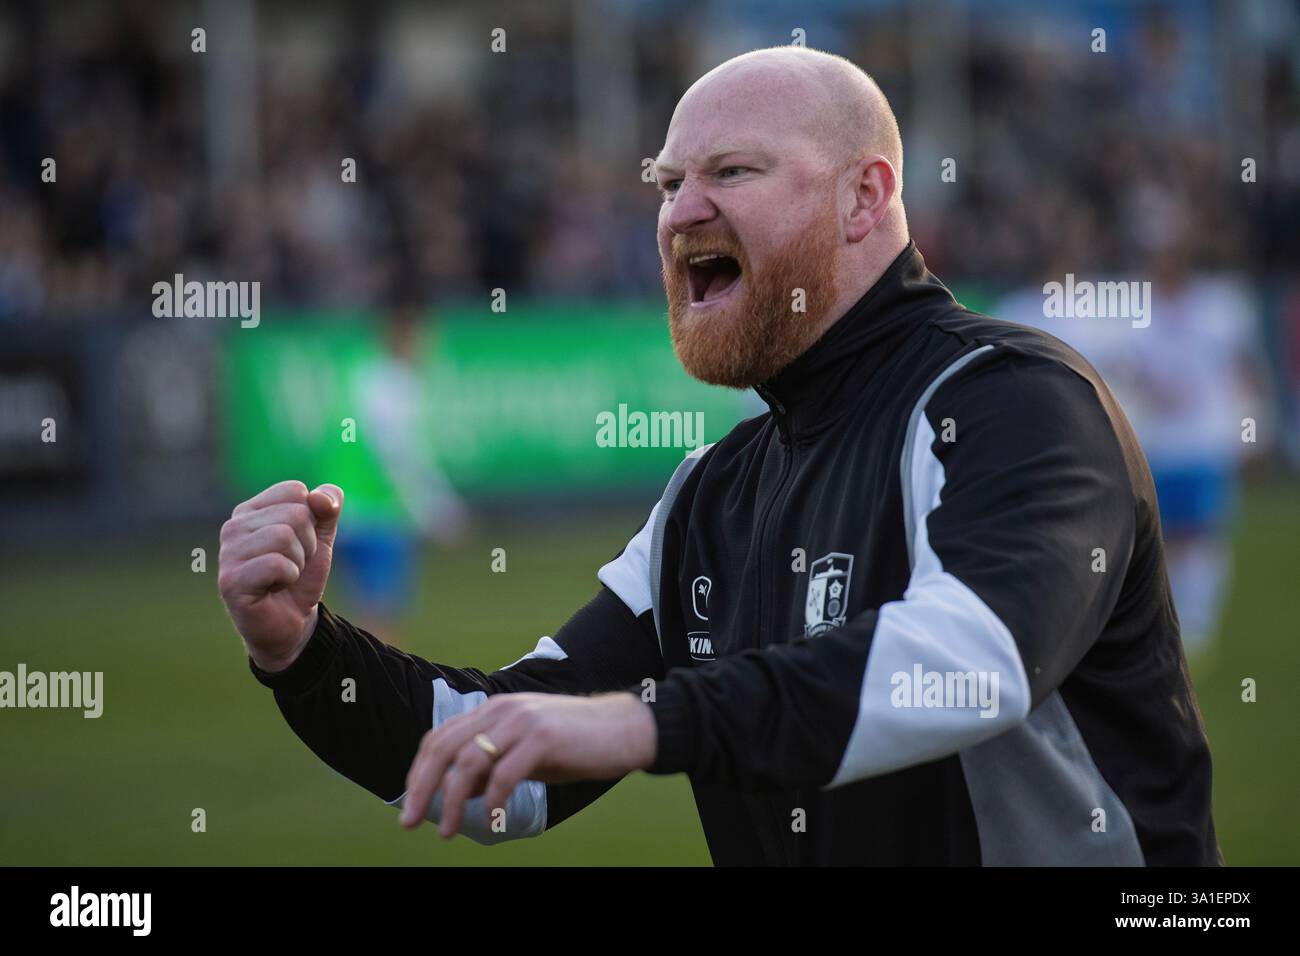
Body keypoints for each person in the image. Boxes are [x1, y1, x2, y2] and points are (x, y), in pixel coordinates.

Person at [218, 46, 1221, 865]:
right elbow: (509, 759)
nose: (679, 211)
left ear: (863, 197)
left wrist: (655, 717)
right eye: (667, 182)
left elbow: (971, 662)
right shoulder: (710, 494)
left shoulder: (1011, 399)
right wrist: (302, 651)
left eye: (730, 171)